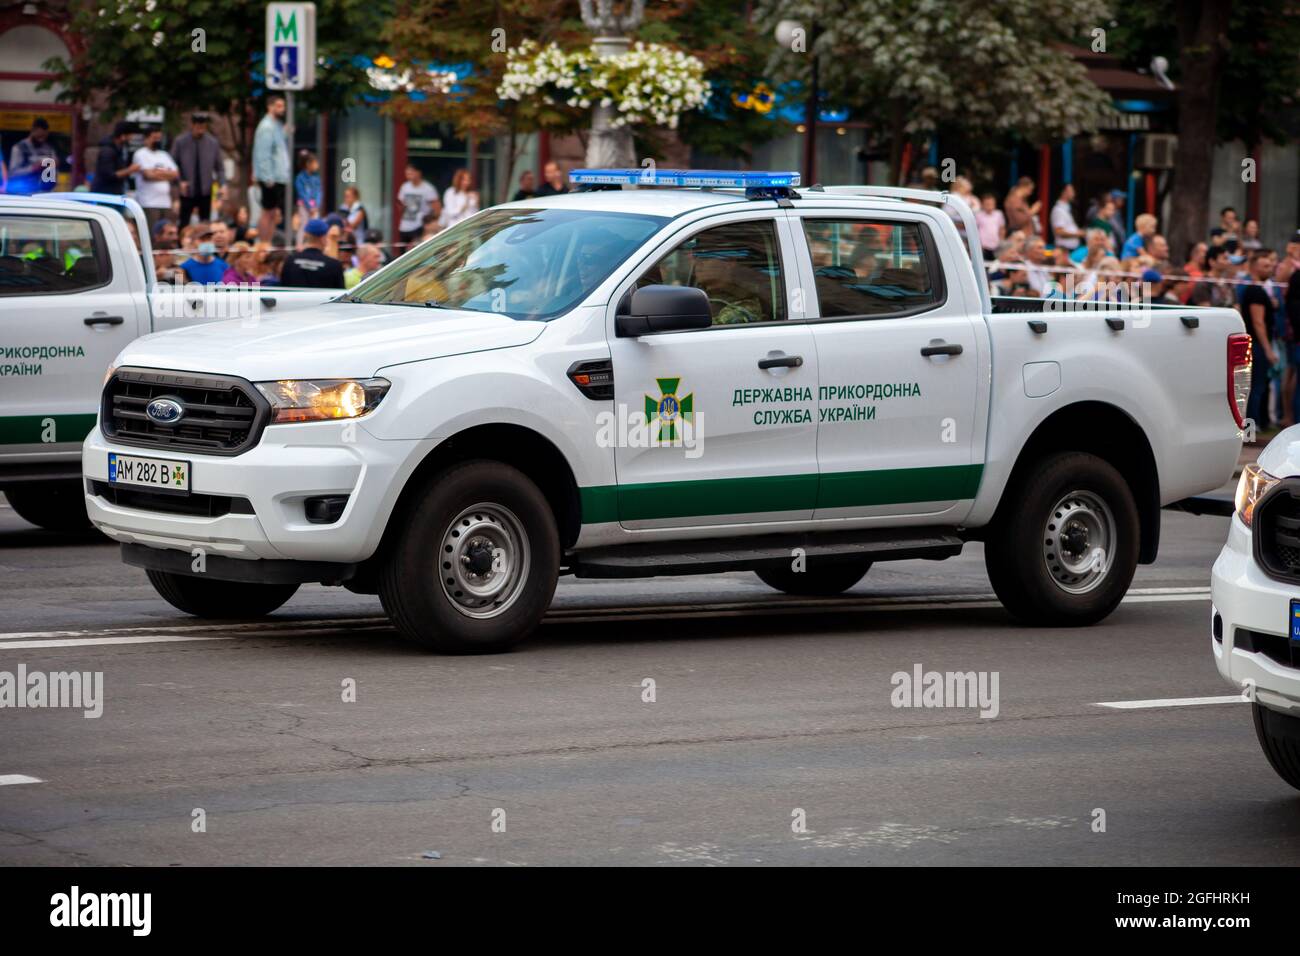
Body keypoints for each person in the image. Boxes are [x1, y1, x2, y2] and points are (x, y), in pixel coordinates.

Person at [1241, 248, 1281, 432]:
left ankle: (1255, 424)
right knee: (1255, 387)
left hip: (1257, 344)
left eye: (1271, 264)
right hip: (1256, 345)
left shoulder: (1259, 290)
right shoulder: (1255, 291)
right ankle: (1251, 427)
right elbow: (1258, 322)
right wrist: (1268, 349)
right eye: (1266, 265)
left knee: (1258, 386)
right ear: (1254, 267)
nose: (1270, 268)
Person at [172, 113, 225, 225]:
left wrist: (222, 184)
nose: (201, 128)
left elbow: (219, 168)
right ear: (192, 125)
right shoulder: (181, 142)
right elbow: (172, 165)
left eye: (203, 126)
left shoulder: (212, 143)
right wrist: (179, 181)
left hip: (205, 190)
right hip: (187, 190)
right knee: (184, 222)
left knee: (205, 223)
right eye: (198, 125)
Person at [252, 93, 290, 248]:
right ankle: (263, 243)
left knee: (273, 212)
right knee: (267, 211)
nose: (282, 109)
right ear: (270, 107)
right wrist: (267, 177)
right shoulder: (267, 127)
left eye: (283, 106)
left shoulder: (277, 125)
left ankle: (268, 242)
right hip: (271, 177)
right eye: (279, 106)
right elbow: (263, 154)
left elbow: (278, 148)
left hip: (279, 176)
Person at [132, 127, 179, 230]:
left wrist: (157, 172)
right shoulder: (141, 154)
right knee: (151, 233)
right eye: (155, 138)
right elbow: (148, 175)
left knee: (166, 232)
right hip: (148, 202)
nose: (158, 140)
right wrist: (166, 175)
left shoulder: (164, 155)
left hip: (166, 203)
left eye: (159, 138)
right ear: (147, 138)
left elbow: (175, 174)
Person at [279, 219, 345, 288]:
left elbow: (283, 288)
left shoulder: (290, 261)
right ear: (323, 238)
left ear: (305, 235)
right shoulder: (334, 266)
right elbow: (341, 296)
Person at [90, 121, 139, 195]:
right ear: (123, 136)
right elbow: (109, 175)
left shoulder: (121, 149)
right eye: (130, 136)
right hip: (105, 194)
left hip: (115, 191)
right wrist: (130, 170)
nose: (131, 138)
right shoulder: (107, 151)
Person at [397, 163, 438, 248]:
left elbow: (436, 208)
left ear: (418, 173)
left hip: (419, 225)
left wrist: (430, 223)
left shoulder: (428, 188)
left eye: (411, 173)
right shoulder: (405, 187)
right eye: (407, 173)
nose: (408, 175)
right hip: (405, 225)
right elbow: (400, 204)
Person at [294, 150, 322, 239]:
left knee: (315, 225)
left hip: (315, 206)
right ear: (308, 164)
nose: (317, 165)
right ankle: (300, 247)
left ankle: (314, 244)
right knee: (303, 225)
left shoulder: (316, 177)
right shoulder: (300, 178)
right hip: (304, 205)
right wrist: (309, 207)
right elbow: (302, 193)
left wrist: (316, 205)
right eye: (315, 163)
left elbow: (319, 192)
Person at [1049, 183, 1083, 251]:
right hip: (1064, 250)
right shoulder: (1058, 210)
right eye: (1071, 191)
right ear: (1063, 192)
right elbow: (1059, 232)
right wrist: (1078, 233)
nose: (1074, 193)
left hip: (1069, 250)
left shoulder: (1065, 209)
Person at [974, 193, 1005, 261]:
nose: (990, 206)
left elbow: (1002, 228)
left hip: (996, 245)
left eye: (992, 204)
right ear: (982, 204)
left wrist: (1001, 241)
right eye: (987, 204)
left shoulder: (998, 214)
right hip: (983, 246)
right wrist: (978, 244)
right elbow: (975, 230)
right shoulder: (978, 215)